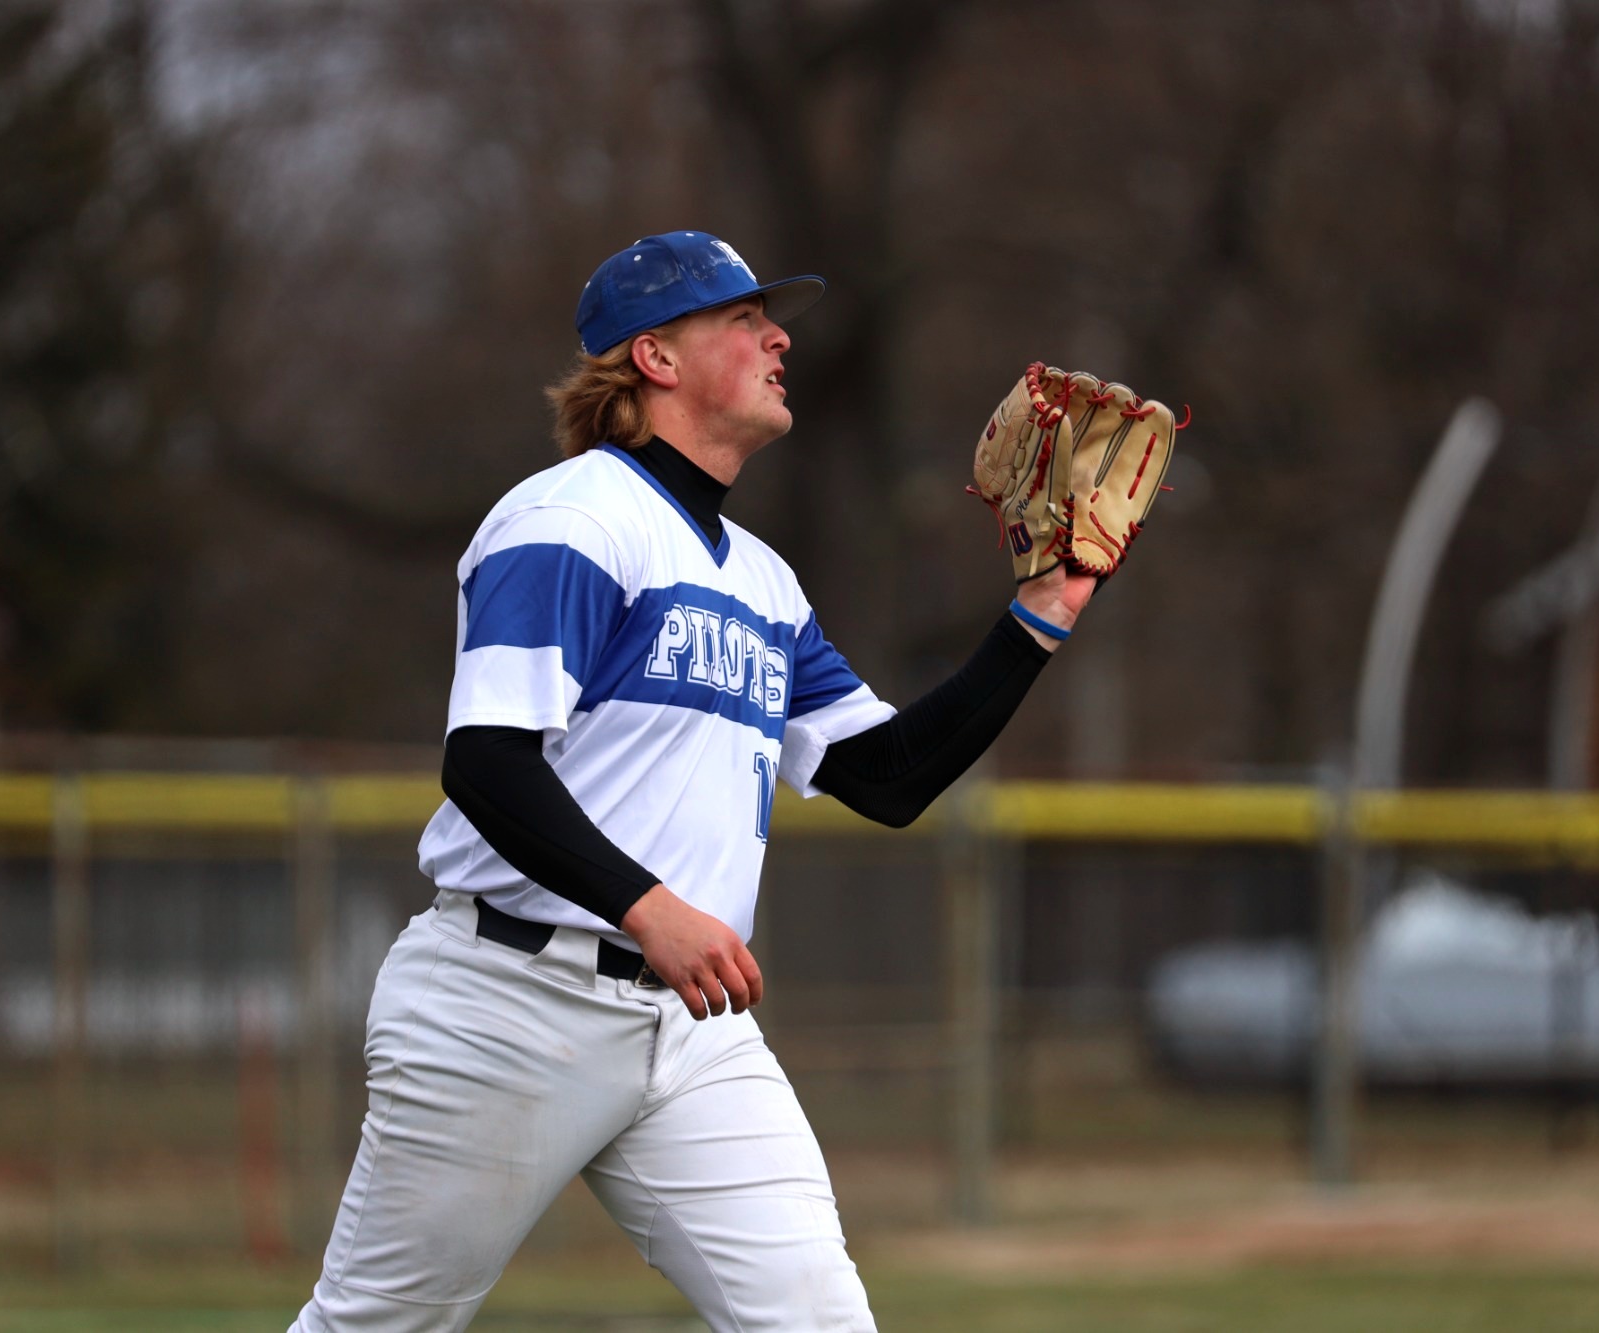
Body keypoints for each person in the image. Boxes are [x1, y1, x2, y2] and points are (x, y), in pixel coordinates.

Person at [291, 230, 1094, 1332]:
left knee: (819, 1320)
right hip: (506, 1001)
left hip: (692, 1024)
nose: (777, 340)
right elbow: (485, 760)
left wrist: (1039, 615)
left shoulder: (764, 582)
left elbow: (887, 776)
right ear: (655, 357)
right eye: (743, 319)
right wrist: (648, 906)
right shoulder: (570, 519)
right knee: (375, 1322)